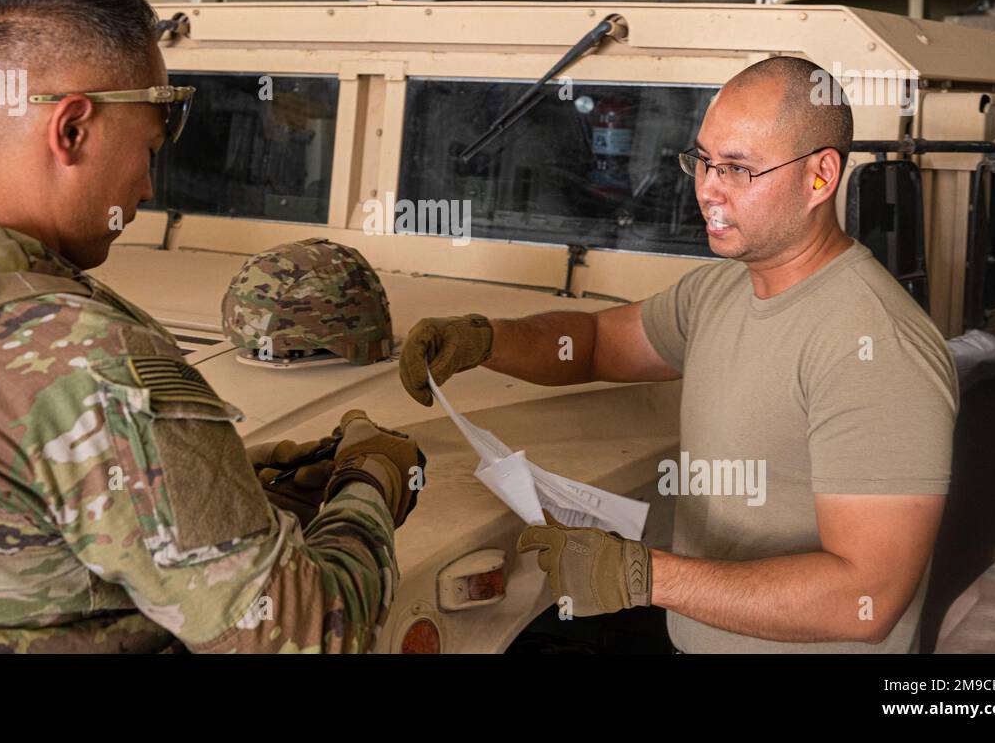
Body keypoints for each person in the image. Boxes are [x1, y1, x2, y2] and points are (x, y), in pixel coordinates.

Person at [0, 0, 420, 653]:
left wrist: (232, 481)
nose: (144, 187)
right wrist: (369, 480)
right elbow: (309, 636)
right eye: (147, 148)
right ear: (72, 129)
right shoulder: (87, 358)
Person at [401, 56, 958, 653]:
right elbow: (593, 345)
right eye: (703, 161)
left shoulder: (875, 348)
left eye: (739, 169)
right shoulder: (722, 289)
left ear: (820, 177)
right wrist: (485, 340)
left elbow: (863, 599)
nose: (707, 189)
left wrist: (642, 575)